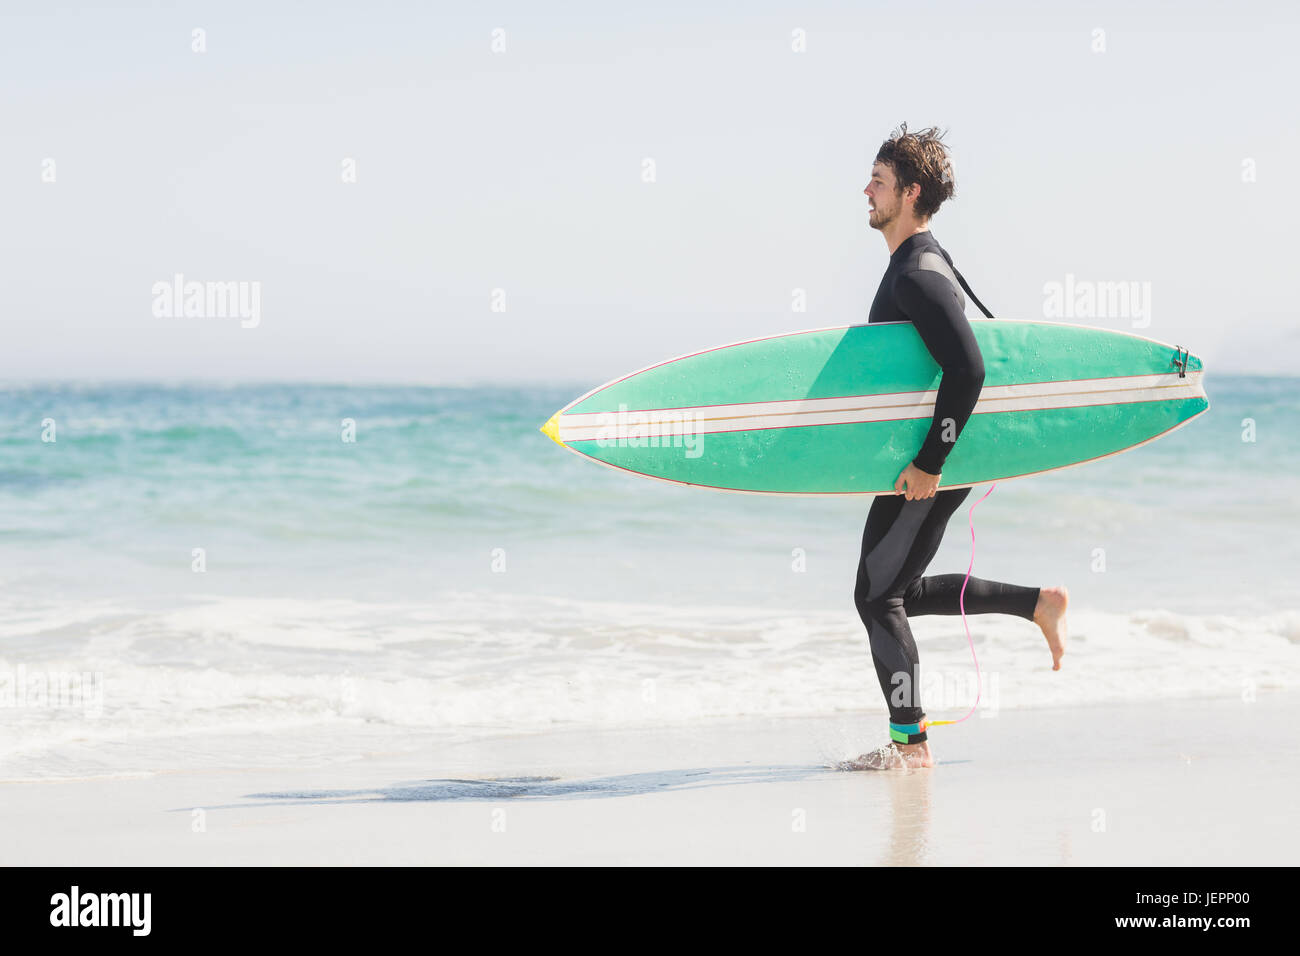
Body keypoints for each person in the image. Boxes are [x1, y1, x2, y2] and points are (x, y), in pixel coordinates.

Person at [847, 124, 1069, 771]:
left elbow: (969, 370)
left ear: (910, 191)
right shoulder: (921, 261)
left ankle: (910, 747)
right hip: (942, 453)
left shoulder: (917, 272)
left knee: (875, 597)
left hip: (937, 458)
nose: (866, 189)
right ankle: (1038, 604)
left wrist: (929, 464)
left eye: (879, 181)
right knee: (896, 591)